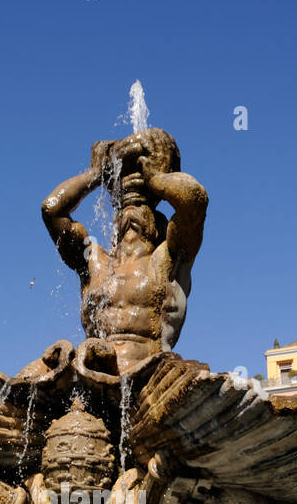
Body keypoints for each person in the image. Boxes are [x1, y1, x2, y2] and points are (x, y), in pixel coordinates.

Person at [42, 128, 208, 371]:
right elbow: (51, 210)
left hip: (150, 372)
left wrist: (156, 179)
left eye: (142, 207)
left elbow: (193, 198)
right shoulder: (94, 260)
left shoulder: (169, 257)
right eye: (125, 209)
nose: (131, 213)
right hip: (94, 374)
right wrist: (95, 174)